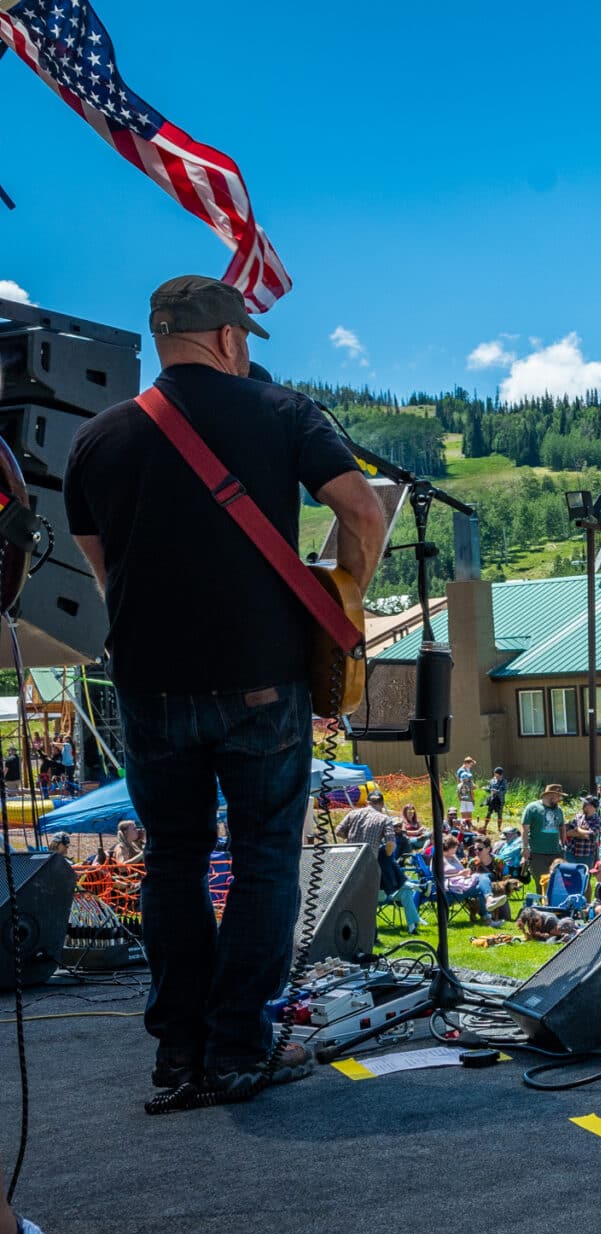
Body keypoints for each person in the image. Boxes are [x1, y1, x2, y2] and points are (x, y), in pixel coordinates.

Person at [65, 276, 387, 1104]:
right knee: (264, 856)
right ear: (231, 339)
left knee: (173, 860)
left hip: (150, 687)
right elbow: (362, 512)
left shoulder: (96, 440)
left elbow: (106, 573)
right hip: (260, 682)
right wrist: (345, 603)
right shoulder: (284, 412)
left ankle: (180, 1055)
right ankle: (239, 1046)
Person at [520, 784, 568, 891]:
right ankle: (542, 901)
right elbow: (525, 829)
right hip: (537, 853)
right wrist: (525, 847)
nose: (560, 799)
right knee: (543, 883)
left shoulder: (559, 810)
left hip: (556, 853)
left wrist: (563, 843)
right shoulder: (532, 808)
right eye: (558, 796)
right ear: (551, 795)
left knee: (558, 883)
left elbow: (562, 826)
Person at [559, 796, 601, 869]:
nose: (582, 805)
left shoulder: (597, 820)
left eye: (585, 803)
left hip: (586, 854)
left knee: (583, 874)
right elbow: (567, 832)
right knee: (569, 873)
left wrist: (577, 829)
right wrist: (583, 832)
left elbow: (590, 836)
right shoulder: (578, 816)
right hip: (571, 851)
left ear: (591, 806)